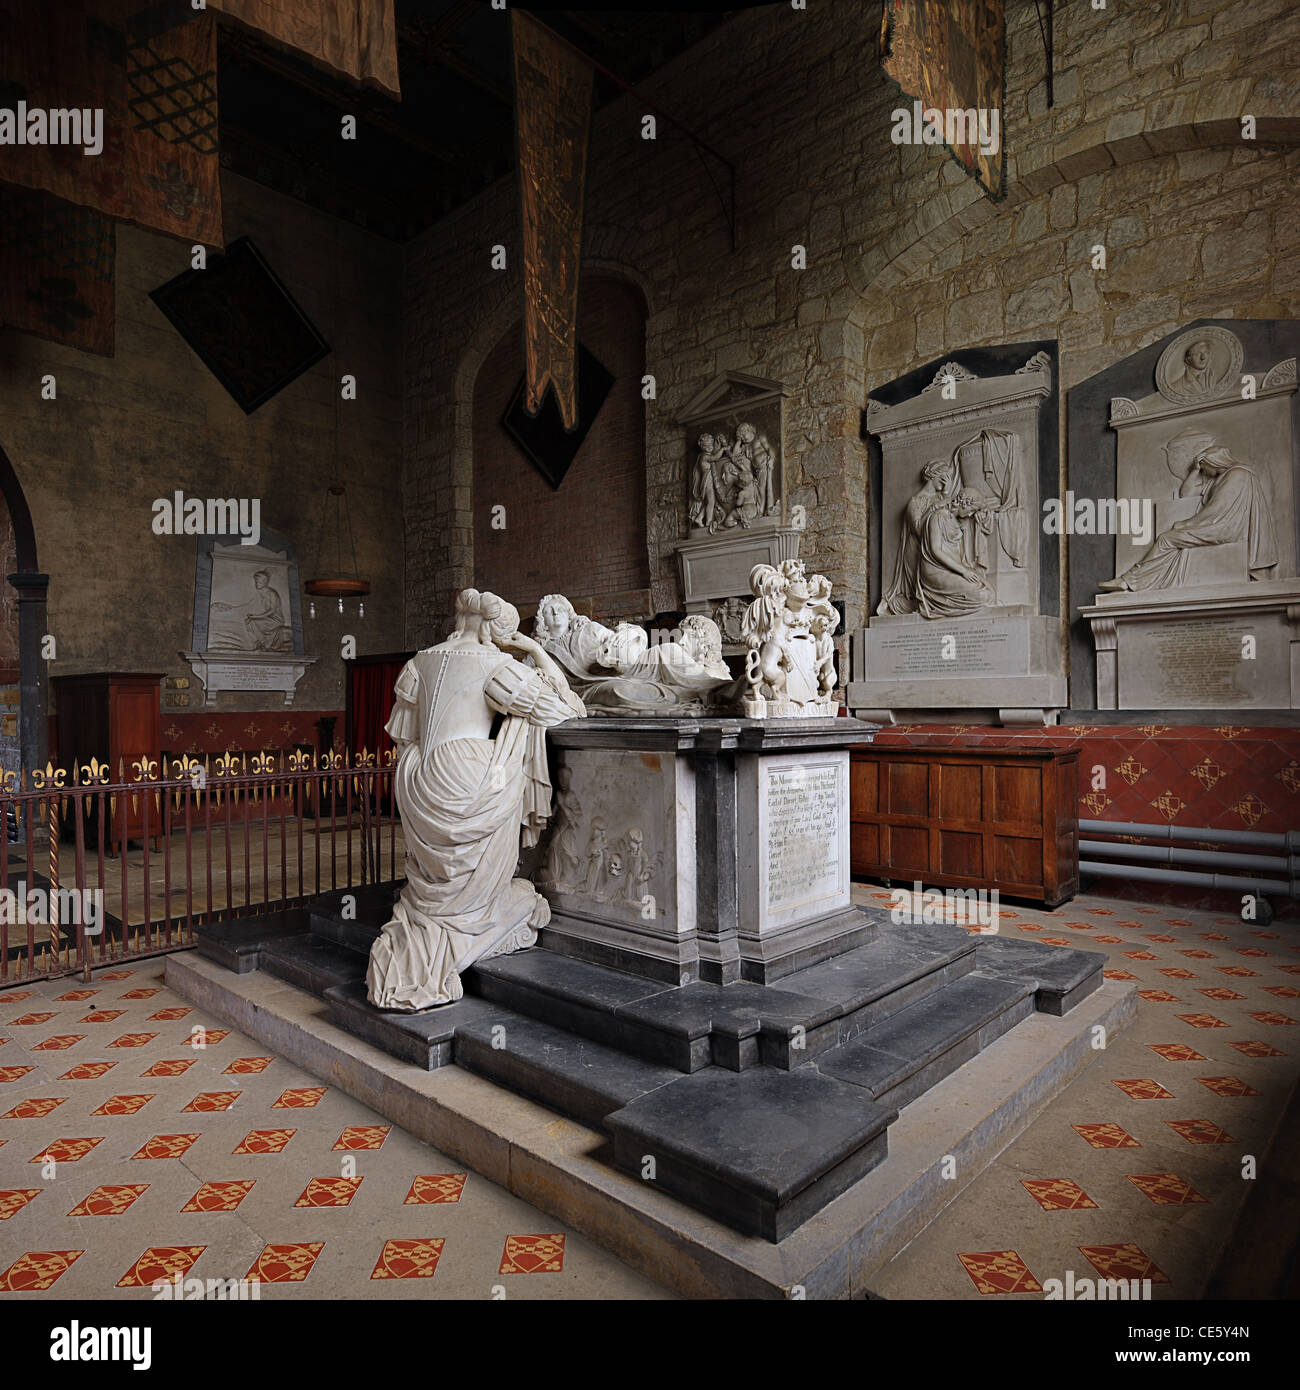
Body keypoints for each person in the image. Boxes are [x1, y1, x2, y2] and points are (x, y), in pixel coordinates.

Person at [365, 588, 585, 1011]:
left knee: (440, 876)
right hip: (470, 773)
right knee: (499, 889)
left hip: (416, 775)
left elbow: (404, 731)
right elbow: (567, 711)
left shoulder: (419, 661)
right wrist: (537, 651)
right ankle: (467, 922)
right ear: (496, 629)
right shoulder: (497, 666)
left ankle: (441, 917)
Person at [1099, 441, 1278, 591]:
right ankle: (1134, 580)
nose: (1204, 472)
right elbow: (1187, 493)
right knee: (1169, 539)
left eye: (1204, 467)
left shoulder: (1237, 475)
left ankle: (1129, 581)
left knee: (1166, 539)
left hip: (1225, 529)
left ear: (1215, 462)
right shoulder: (1221, 479)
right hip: (1218, 526)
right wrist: (1195, 470)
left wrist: (1186, 524)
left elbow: (1217, 510)